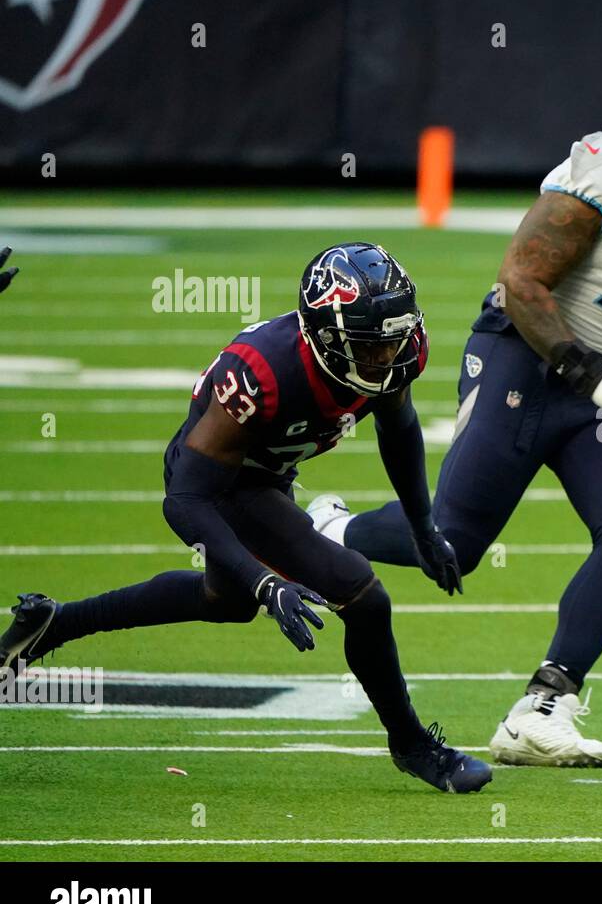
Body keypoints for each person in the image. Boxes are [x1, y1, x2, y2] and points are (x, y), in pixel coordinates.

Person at [309, 37, 602, 767]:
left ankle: (544, 705)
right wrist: (589, 372)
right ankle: (328, 531)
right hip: (527, 351)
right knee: (454, 543)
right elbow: (522, 282)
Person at [1, 243, 491, 794]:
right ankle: (413, 745)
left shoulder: (388, 347)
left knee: (223, 601)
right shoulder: (261, 372)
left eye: (394, 341)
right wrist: (266, 582)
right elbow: (185, 499)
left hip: (267, 477)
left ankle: (53, 624)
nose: (389, 357)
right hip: (216, 480)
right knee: (362, 594)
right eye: (372, 347)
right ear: (326, 336)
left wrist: (423, 528)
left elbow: (397, 426)